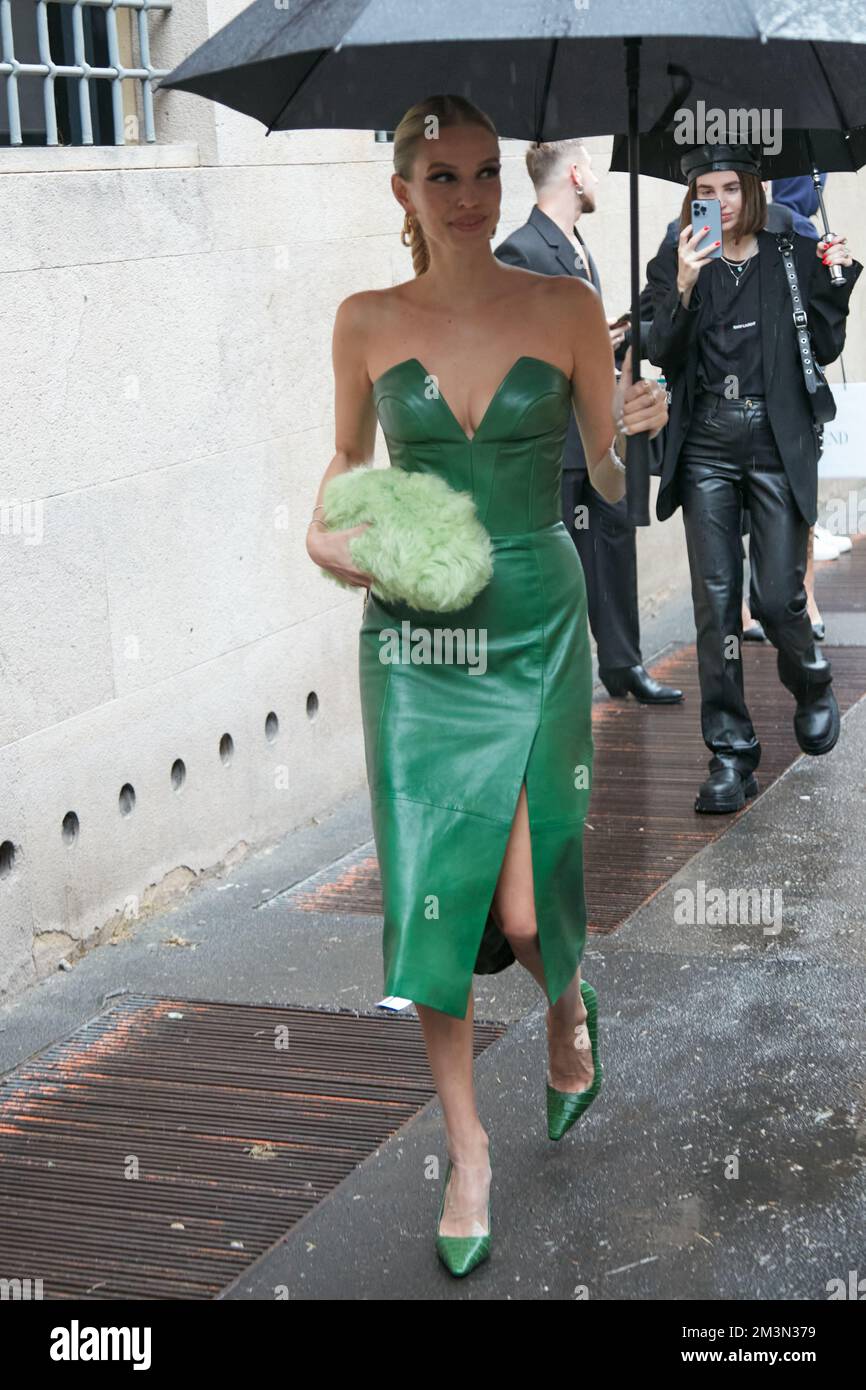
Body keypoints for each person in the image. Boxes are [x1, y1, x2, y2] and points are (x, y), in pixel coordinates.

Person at [305, 94, 667, 1276]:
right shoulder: (362, 322)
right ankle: (466, 1148)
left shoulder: (565, 305)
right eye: (441, 177)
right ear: (400, 192)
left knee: (520, 909)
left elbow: (607, 490)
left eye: (482, 174)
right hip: (415, 641)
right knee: (438, 911)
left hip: (535, 619)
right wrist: (341, 548)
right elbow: (339, 486)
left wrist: (627, 432)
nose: (467, 197)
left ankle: (566, 1012)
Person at [646, 143, 861, 814]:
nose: (720, 201)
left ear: (752, 191)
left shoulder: (789, 248)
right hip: (706, 446)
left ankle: (812, 677)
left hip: (774, 442)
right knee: (715, 610)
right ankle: (730, 755)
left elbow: (822, 346)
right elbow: (656, 346)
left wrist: (840, 280)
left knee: (774, 600)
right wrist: (681, 285)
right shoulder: (678, 254)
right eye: (705, 190)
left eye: (730, 187)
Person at [494, 139, 683, 705]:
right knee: (567, 569)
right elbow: (509, 353)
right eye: (592, 168)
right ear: (575, 174)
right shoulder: (518, 251)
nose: (597, 176)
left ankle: (624, 666)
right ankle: (560, 688)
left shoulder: (578, 247)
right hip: (557, 445)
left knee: (616, 544)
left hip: (601, 434)